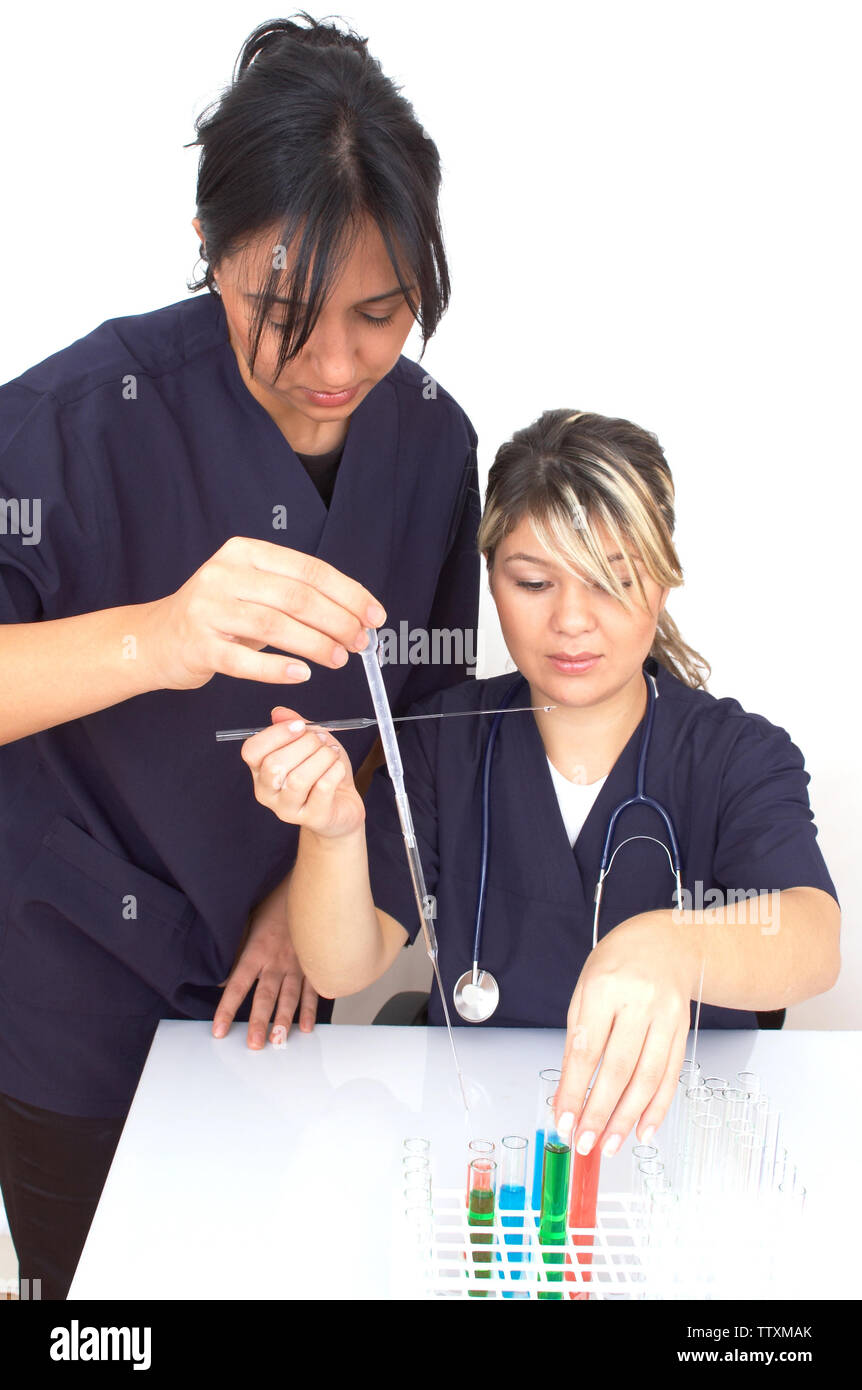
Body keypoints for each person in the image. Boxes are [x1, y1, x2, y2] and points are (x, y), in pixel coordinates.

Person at [0, 15, 480, 1298]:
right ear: (209, 256)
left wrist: (314, 880)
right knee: (106, 1312)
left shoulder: (431, 441)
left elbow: (423, 721)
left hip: (290, 984)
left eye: (381, 315)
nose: (336, 366)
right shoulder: (68, 425)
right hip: (74, 988)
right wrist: (157, 637)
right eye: (286, 313)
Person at [243, 408, 841, 1161]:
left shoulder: (733, 754)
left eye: (612, 581)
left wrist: (665, 946)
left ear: (661, 582)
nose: (571, 621)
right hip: (484, 1154)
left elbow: (815, 940)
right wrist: (331, 833)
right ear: (491, 578)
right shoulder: (441, 743)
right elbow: (343, 965)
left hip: (681, 1149)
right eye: (533, 581)